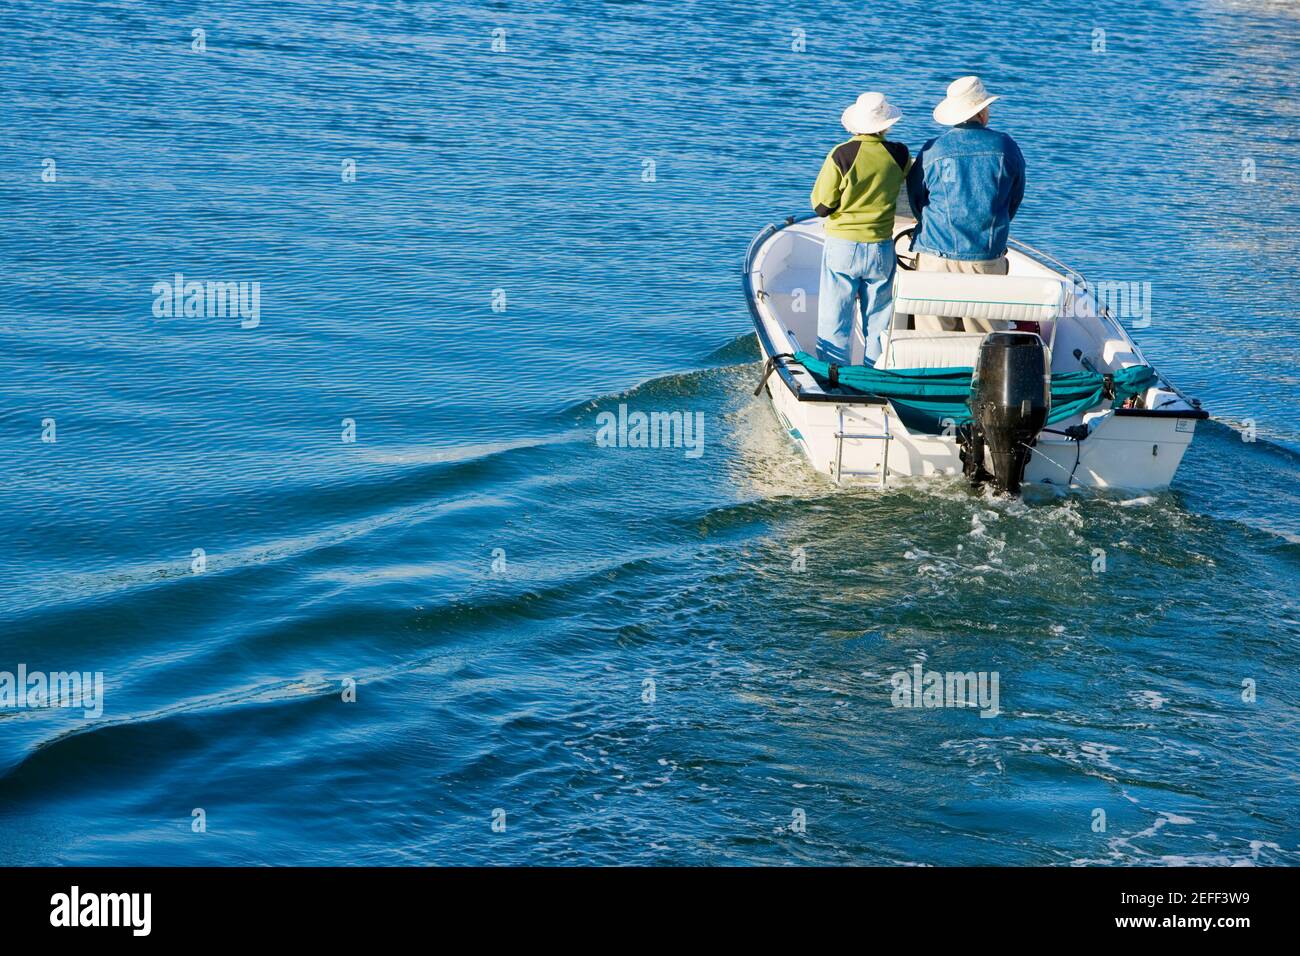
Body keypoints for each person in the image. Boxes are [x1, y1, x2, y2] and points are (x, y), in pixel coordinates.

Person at [906, 76, 1025, 332]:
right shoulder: (1006, 146)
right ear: (982, 112)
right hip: (985, 255)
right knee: (985, 340)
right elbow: (1014, 198)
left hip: (935, 255)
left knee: (930, 341)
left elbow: (917, 200)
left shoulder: (933, 149)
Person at [810, 92, 910, 365]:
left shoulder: (842, 154)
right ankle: (876, 377)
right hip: (881, 246)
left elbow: (821, 205)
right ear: (886, 124)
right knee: (879, 319)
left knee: (835, 317)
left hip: (843, 246)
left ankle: (835, 377)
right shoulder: (900, 154)